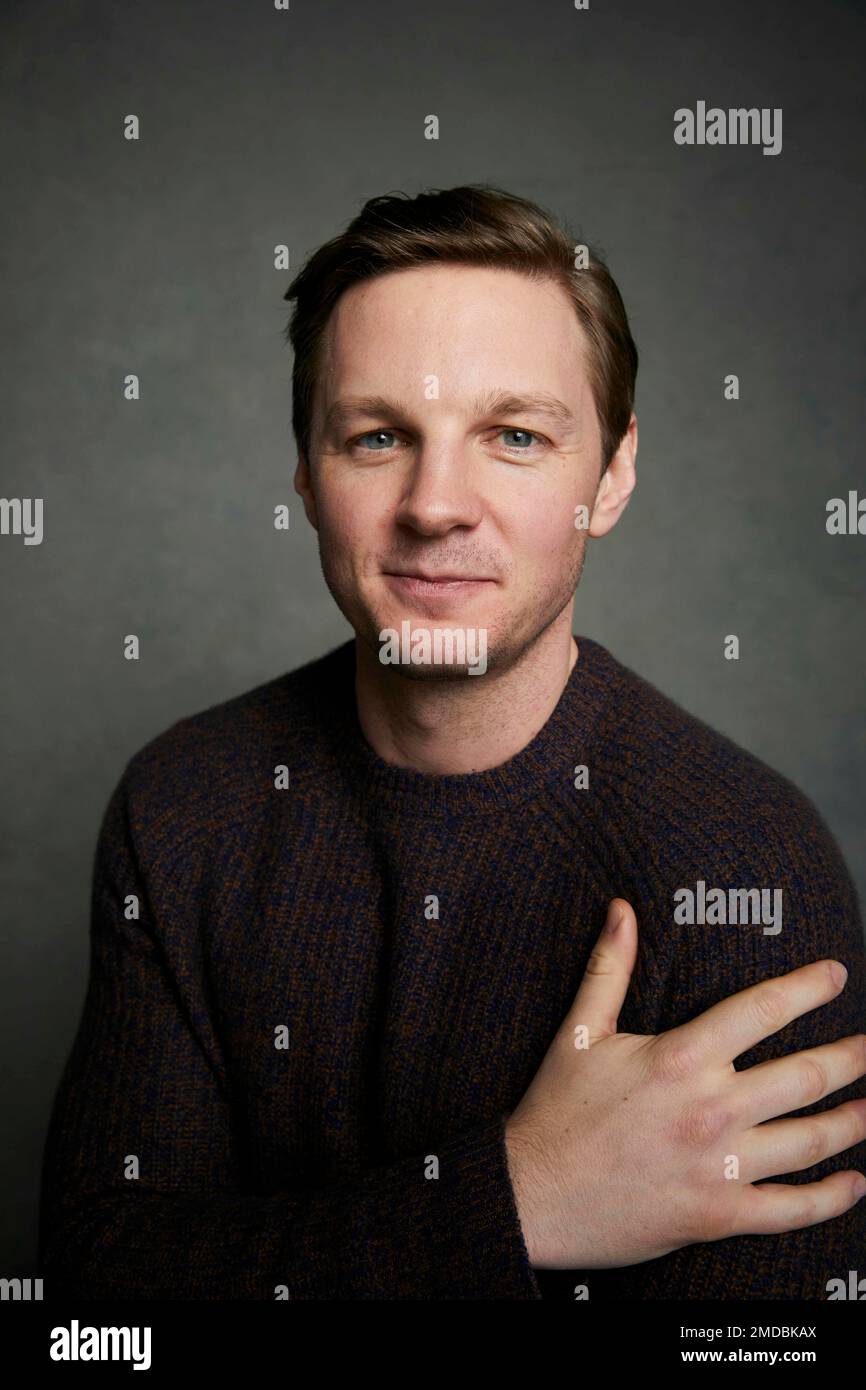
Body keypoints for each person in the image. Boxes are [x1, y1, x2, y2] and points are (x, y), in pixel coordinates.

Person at [38, 185, 866, 1300]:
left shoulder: (745, 868)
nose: (436, 505)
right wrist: (516, 1202)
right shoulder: (184, 806)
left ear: (610, 475)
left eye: (512, 436)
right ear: (304, 474)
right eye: (377, 435)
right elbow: (98, 1310)